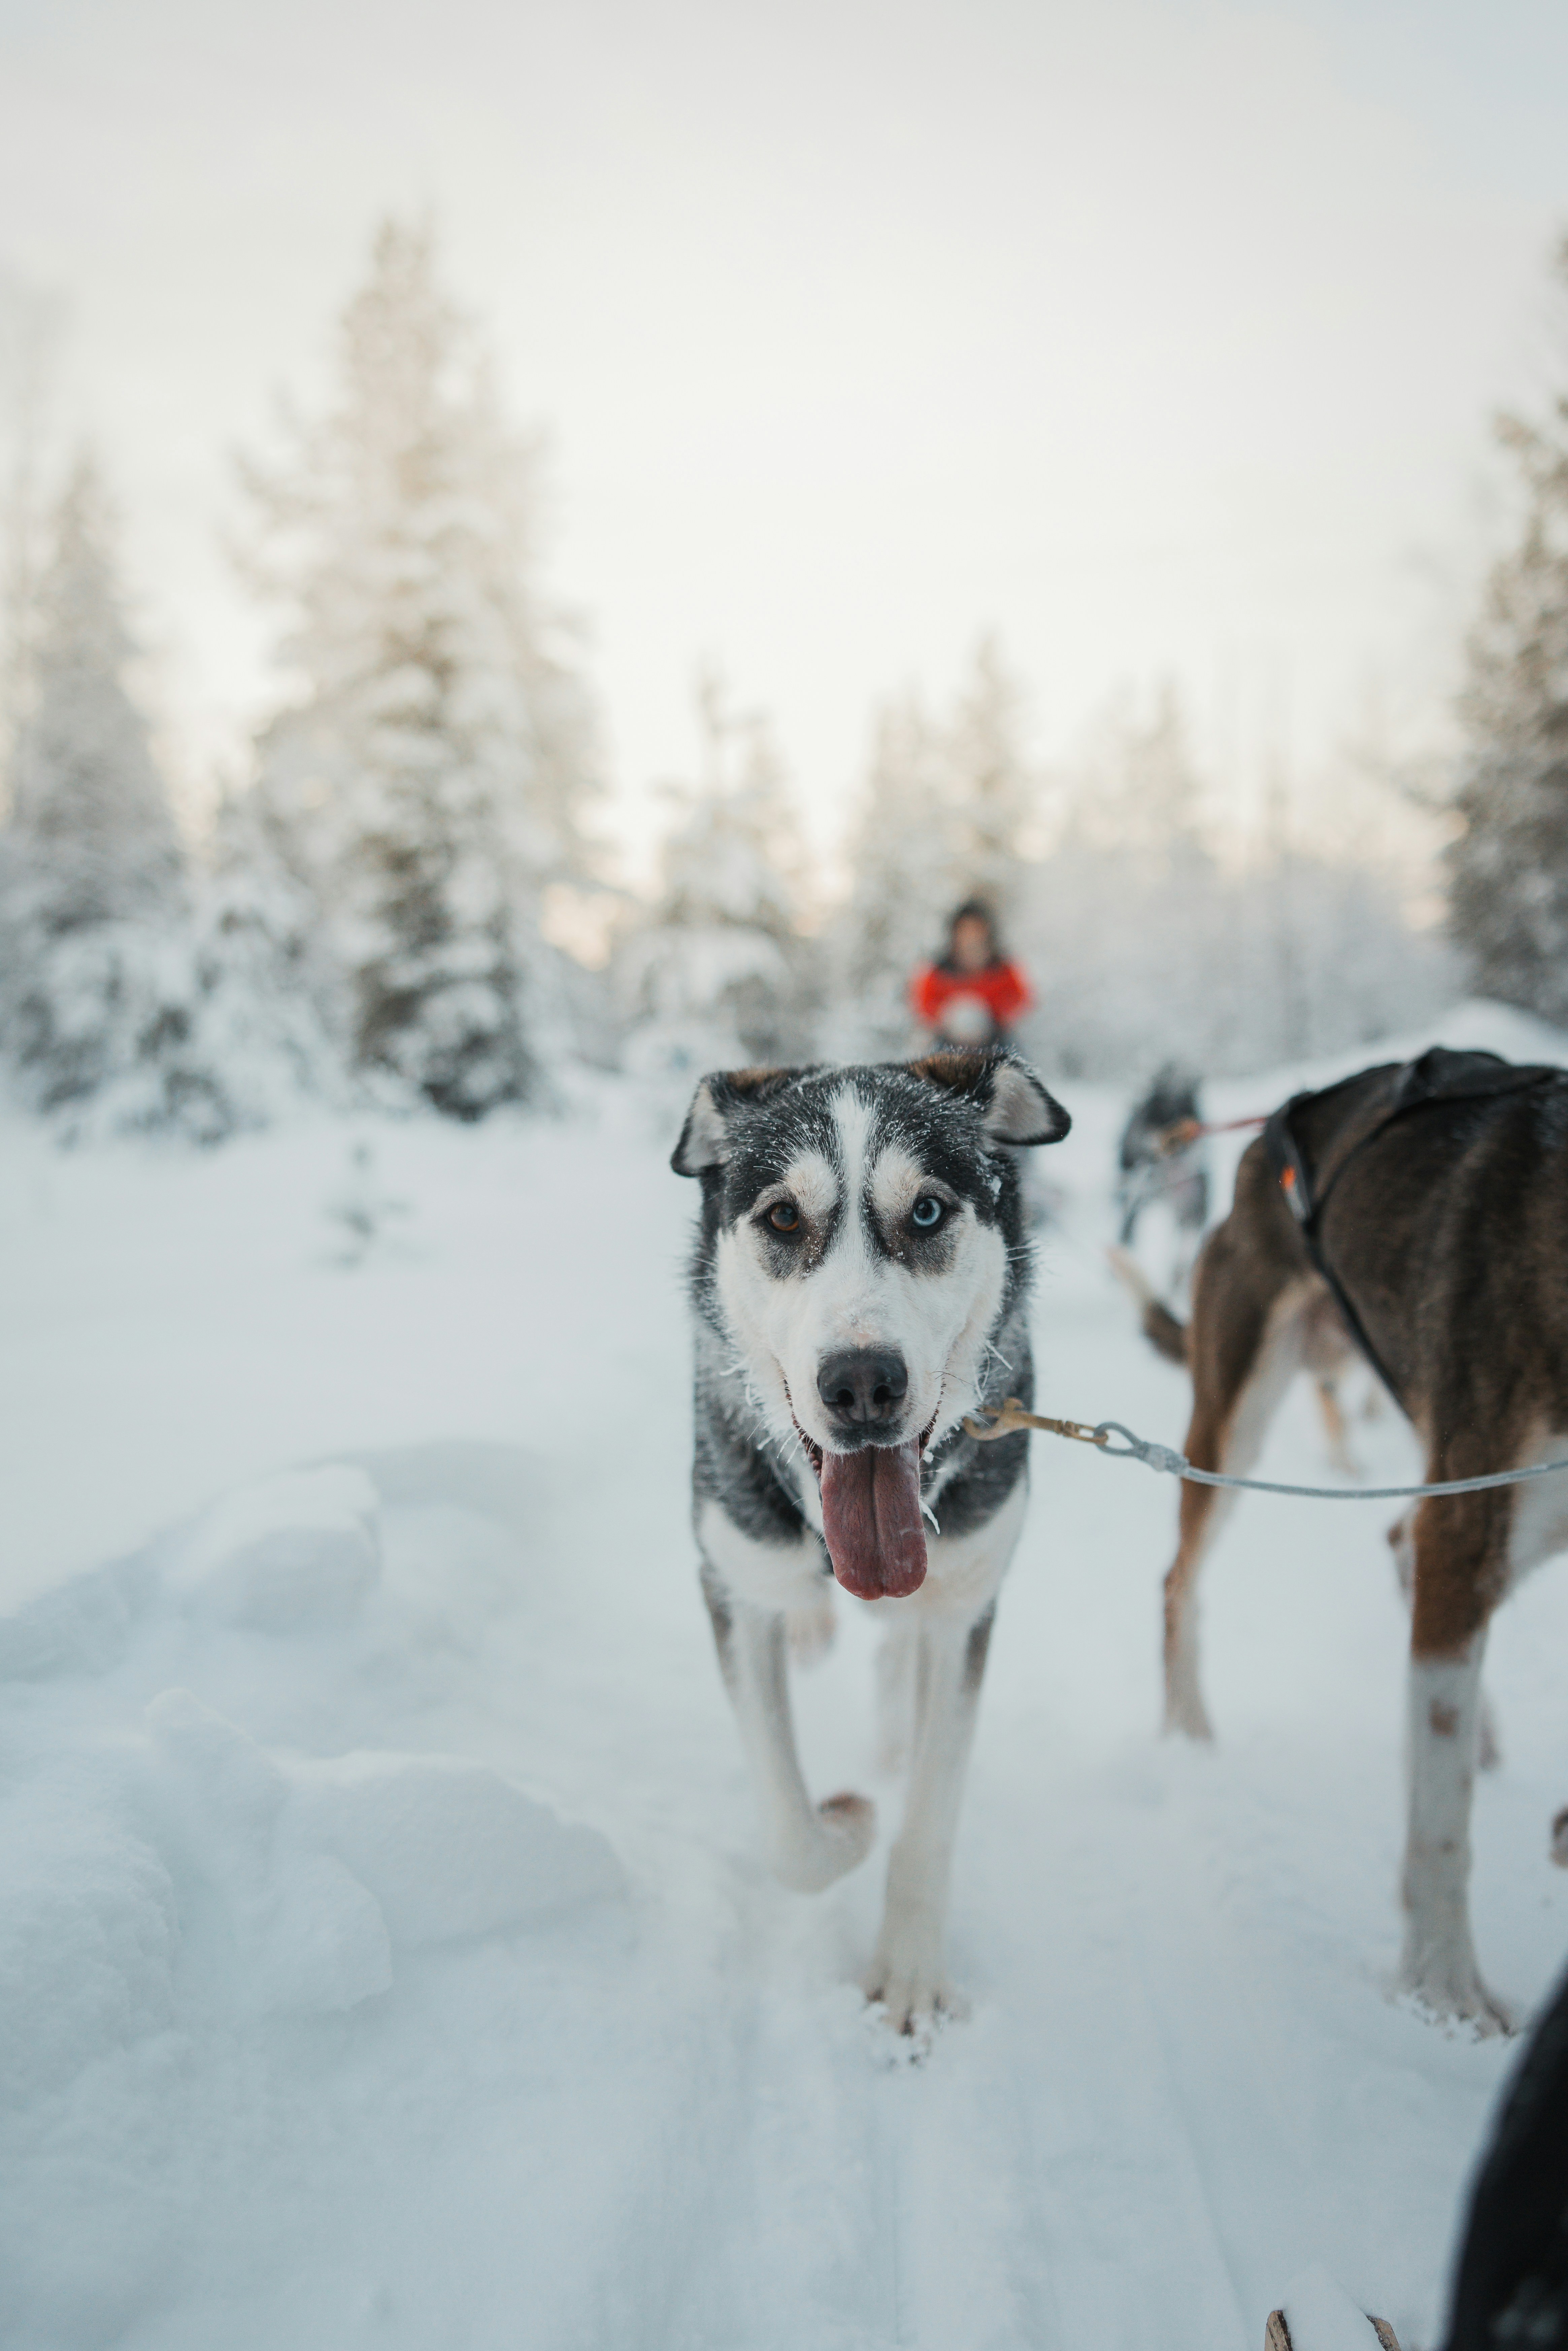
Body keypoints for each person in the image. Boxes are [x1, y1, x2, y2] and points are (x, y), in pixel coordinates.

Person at [909, 901, 1033, 1049]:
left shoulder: (1004, 970)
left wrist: (994, 1016)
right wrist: (948, 1018)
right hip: (947, 1043)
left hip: (996, 1041)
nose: (971, 938)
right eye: (965, 931)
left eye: (977, 930)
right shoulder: (938, 973)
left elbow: (1020, 999)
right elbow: (924, 1005)